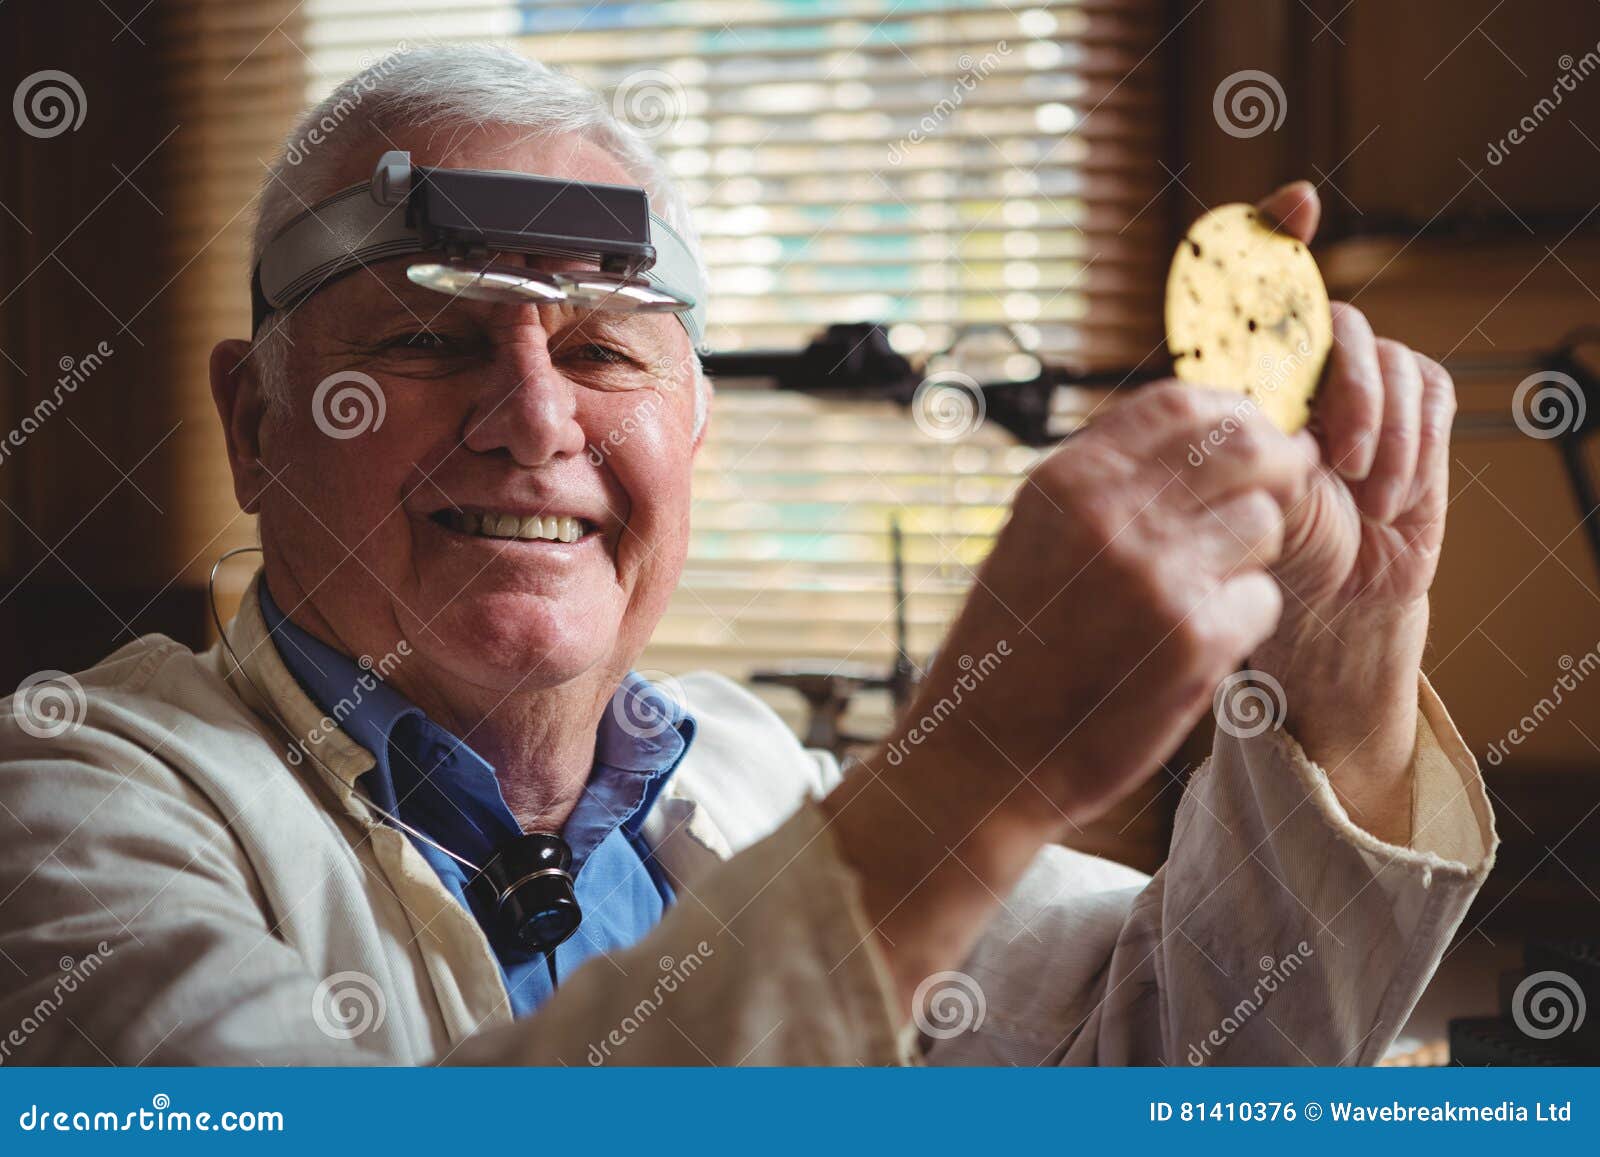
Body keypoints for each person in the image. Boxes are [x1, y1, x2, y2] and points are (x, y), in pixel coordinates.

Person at [0, 45, 1494, 1066]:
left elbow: (1184, 1060)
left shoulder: (744, 771)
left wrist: (1342, 668)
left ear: (695, 428)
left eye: (599, 349)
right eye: (428, 338)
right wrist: (970, 777)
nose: (533, 418)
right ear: (258, 427)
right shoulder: (72, 814)